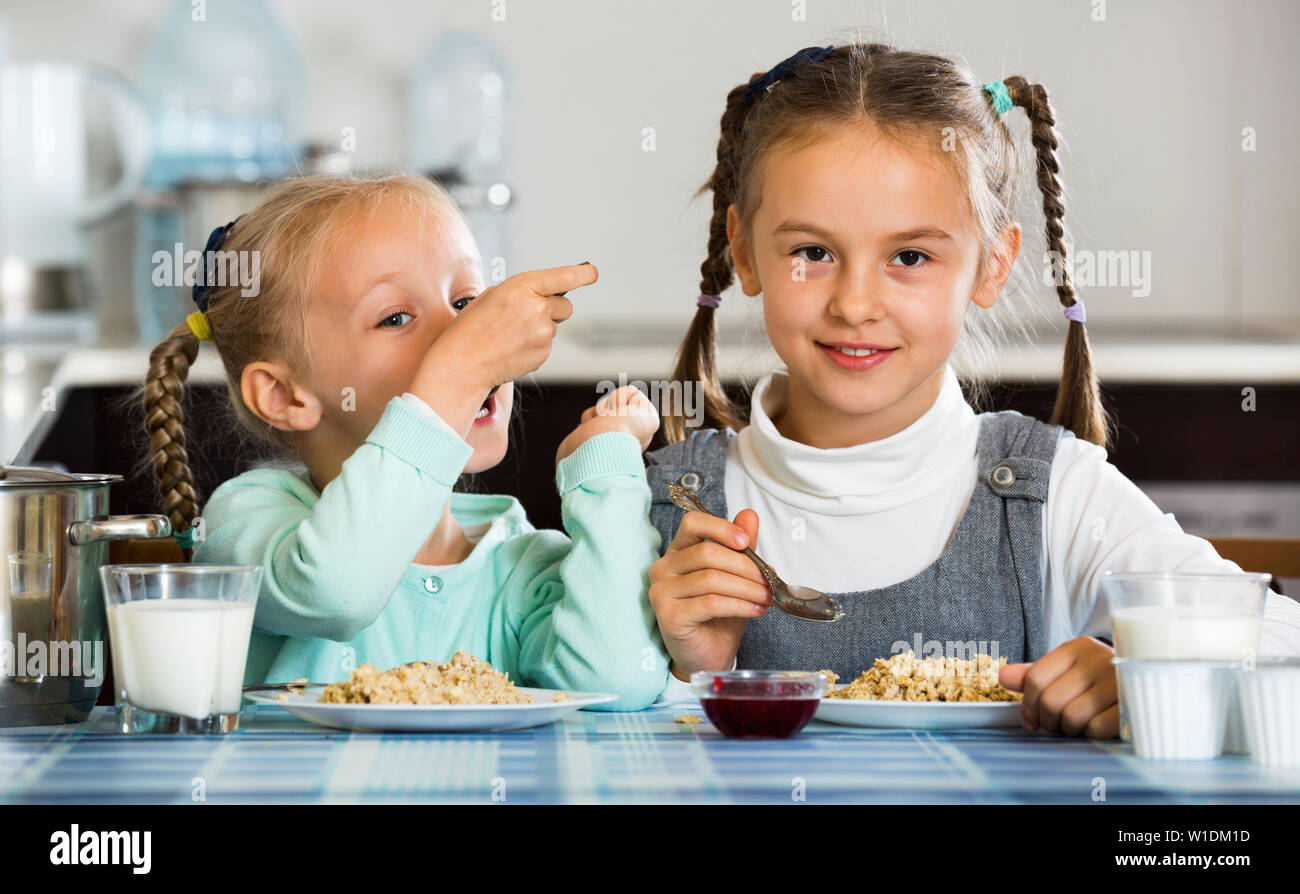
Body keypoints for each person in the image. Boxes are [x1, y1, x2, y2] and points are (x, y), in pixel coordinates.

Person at [645, 43, 1300, 736]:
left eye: (910, 257)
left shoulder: (1057, 497)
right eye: (813, 252)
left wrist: (1140, 674)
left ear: (992, 265)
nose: (857, 303)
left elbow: (1281, 641)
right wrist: (683, 675)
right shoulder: (655, 505)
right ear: (744, 253)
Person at [138, 173, 667, 709]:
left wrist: (606, 470)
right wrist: (455, 377)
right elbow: (337, 592)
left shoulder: (519, 565)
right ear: (283, 395)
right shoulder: (247, 525)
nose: (461, 338)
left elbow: (617, 683)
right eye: (396, 317)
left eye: (467, 303)